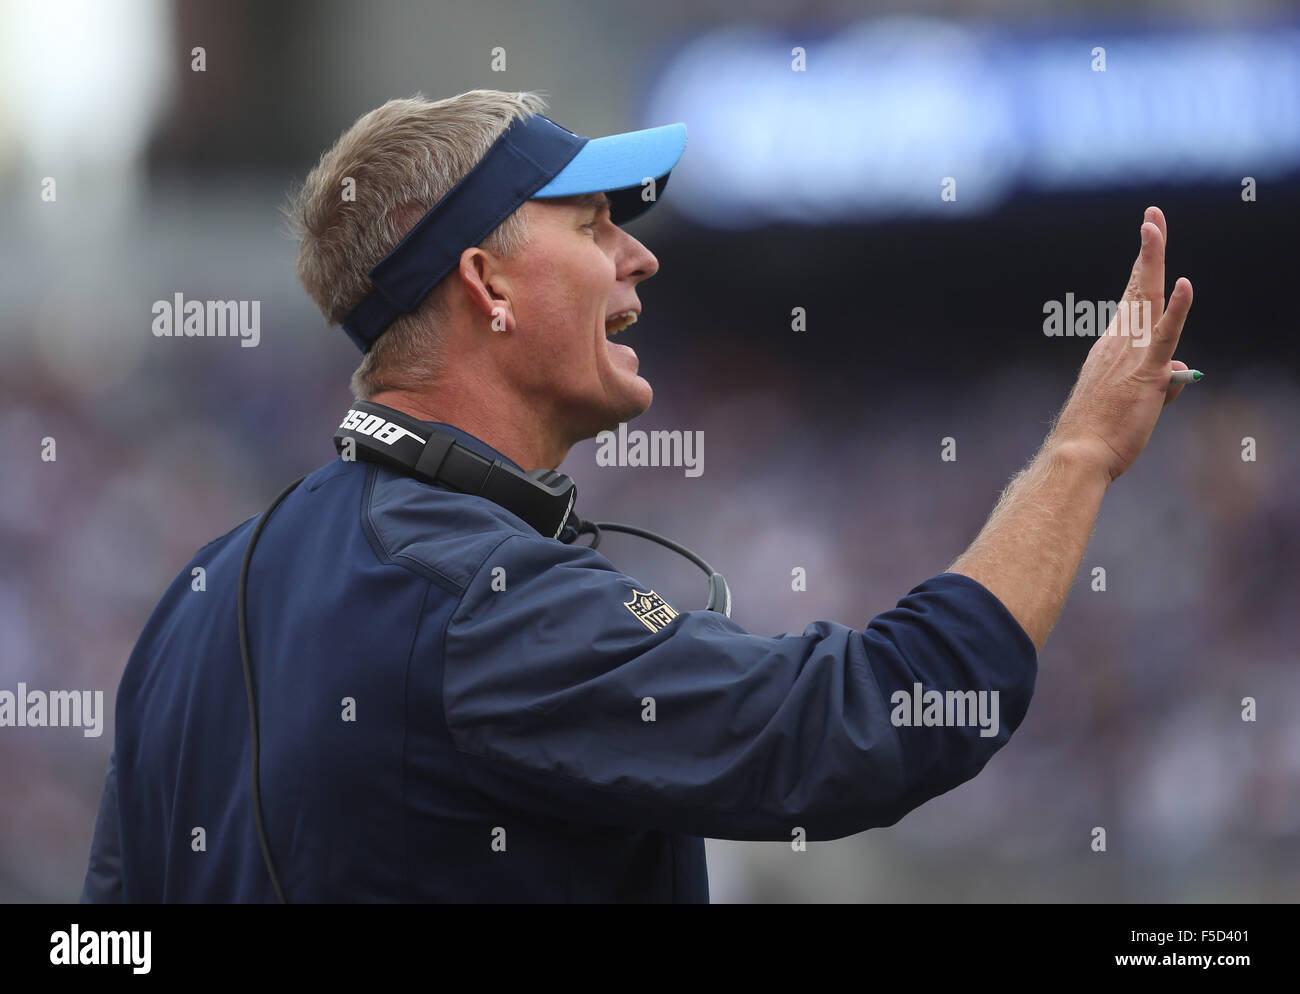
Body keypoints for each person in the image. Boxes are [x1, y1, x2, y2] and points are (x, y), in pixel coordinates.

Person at [80, 89, 1193, 903]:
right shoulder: (485, 600)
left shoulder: (195, 596)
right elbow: (880, 717)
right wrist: (1079, 452)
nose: (639, 256)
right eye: (592, 223)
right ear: (487, 282)